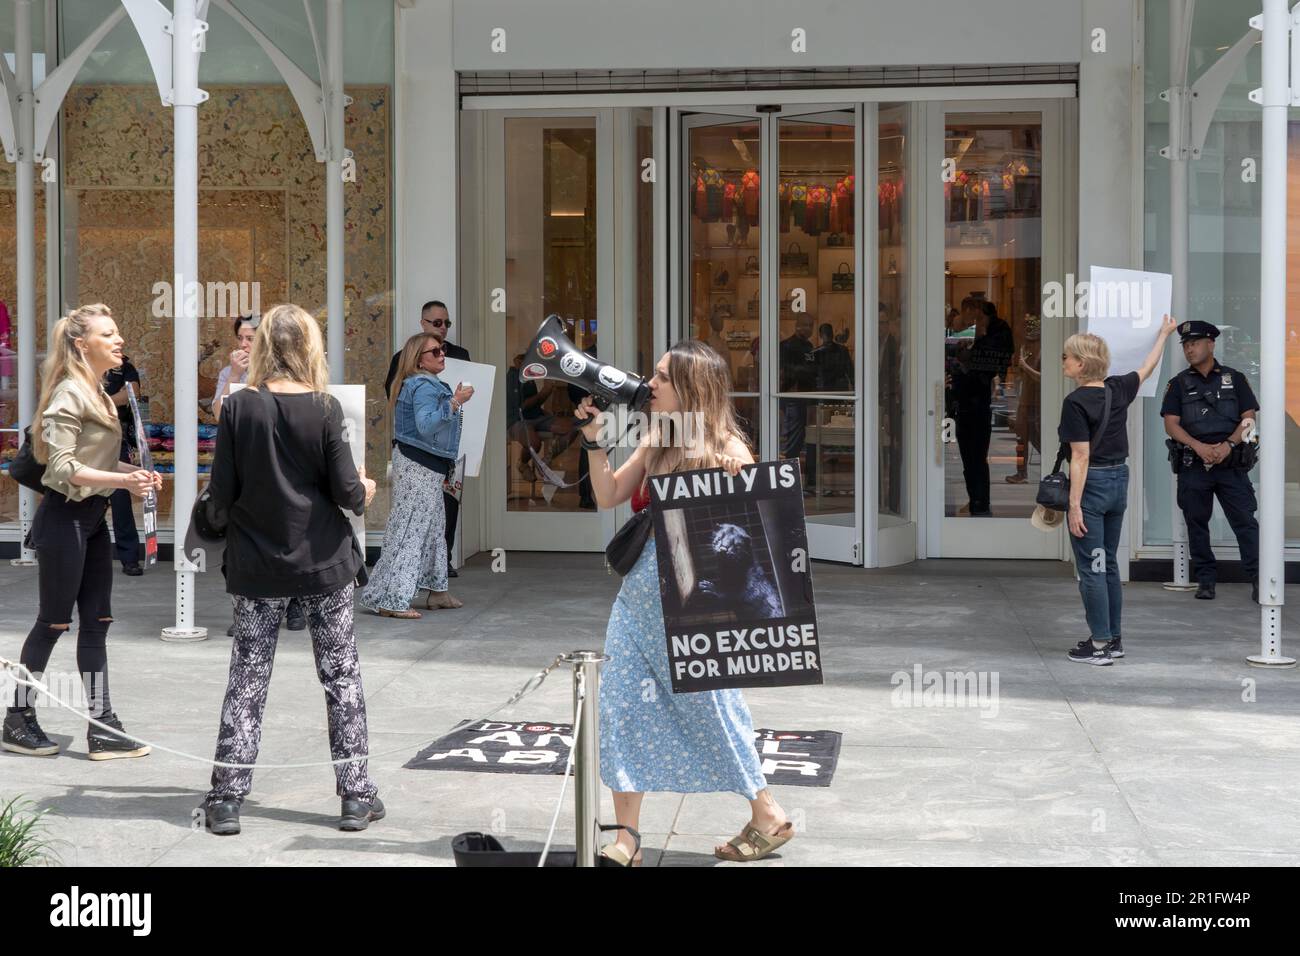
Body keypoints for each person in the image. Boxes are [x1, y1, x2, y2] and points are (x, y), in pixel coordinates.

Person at [576, 340, 795, 865]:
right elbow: (608, 495)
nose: (649, 384)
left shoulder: (727, 448)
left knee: (713, 707)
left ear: (693, 388)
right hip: (638, 600)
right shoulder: (659, 437)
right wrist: (593, 441)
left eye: (662, 378)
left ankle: (766, 812)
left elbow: (750, 535)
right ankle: (626, 837)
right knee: (621, 707)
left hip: (693, 604)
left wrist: (736, 483)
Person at [201, 304, 381, 836]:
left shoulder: (239, 407)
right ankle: (356, 796)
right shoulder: (324, 408)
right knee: (341, 677)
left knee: (247, 678)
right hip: (323, 562)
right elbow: (348, 493)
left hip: (257, 563)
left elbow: (221, 494)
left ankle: (226, 798)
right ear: (309, 348)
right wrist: (367, 487)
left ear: (261, 348)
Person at [3, 304, 160, 759]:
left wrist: (134, 474)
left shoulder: (98, 391)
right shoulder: (70, 393)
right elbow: (64, 468)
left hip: (91, 520)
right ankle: (17, 719)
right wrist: (124, 482)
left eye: (117, 332)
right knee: (52, 622)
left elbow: (100, 462)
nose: (119, 340)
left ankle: (103, 725)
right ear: (81, 344)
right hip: (64, 521)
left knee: (97, 622)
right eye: (107, 334)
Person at [1059, 316, 1176, 665]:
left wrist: (1074, 505)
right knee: (1107, 562)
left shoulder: (1076, 402)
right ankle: (1113, 638)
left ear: (1081, 364)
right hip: (1118, 481)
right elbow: (1147, 367)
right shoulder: (1118, 388)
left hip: (1092, 485)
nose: (1063, 362)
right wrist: (1164, 334)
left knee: (1092, 568)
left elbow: (1080, 456)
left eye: (1066, 356)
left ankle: (1099, 645)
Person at [361, 329, 473, 619]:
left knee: (433, 528)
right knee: (411, 530)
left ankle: (438, 592)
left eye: (442, 349)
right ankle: (392, 599)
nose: (442, 354)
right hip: (419, 466)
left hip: (424, 465)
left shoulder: (422, 383)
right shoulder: (423, 385)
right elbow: (426, 425)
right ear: (419, 360)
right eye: (435, 351)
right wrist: (455, 402)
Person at [213, 315, 305, 633]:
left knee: (288, 536)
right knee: (243, 543)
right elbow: (220, 412)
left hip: (283, 466)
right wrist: (235, 375)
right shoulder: (230, 373)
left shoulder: (287, 371)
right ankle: (245, 611)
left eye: (250, 338)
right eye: (240, 338)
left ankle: (294, 603)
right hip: (246, 468)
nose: (243, 344)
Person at [1161, 320, 1260, 601]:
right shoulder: (1178, 384)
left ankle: (1258, 578)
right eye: (1186, 345)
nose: (1189, 349)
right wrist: (1198, 446)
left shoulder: (1235, 379)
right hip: (1195, 464)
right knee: (1196, 523)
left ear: (1211, 344)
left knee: (1244, 522)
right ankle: (1205, 580)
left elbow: (1249, 417)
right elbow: (1171, 424)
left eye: (1194, 343)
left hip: (1231, 464)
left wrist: (1229, 445)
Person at [384, 301, 470, 578]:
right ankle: (404, 580)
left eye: (447, 323)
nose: (443, 329)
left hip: (446, 447)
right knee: (416, 520)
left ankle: (439, 572)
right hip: (420, 453)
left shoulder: (459, 355)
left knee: (444, 510)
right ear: (423, 323)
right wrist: (453, 402)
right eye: (437, 323)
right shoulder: (412, 369)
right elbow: (416, 416)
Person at [948, 297, 1013, 515]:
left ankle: (979, 503)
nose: (973, 324)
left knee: (976, 457)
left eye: (976, 319)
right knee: (970, 459)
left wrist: (966, 358)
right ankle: (975, 499)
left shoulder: (995, 334)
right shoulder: (974, 338)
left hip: (977, 404)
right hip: (965, 403)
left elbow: (982, 368)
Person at [103, 354, 143, 575]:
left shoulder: (124, 367)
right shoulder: (80, 365)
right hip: (84, 436)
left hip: (114, 435)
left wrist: (99, 402)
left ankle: (129, 558)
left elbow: (131, 393)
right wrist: (112, 399)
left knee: (120, 497)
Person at [780, 315, 818, 487]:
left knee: (810, 439)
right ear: (797, 326)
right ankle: (788, 481)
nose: (808, 328)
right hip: (794, 398)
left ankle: (810, 479)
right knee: (793, 442)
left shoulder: (809, 346)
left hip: (808, 398)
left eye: (810, 325)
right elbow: (785, 372)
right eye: (805, 325)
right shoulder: (787, 346)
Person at [1006, 316, 1042, 484]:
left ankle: (1053, 464)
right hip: (1024, 401)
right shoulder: (1025, 349)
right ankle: (1021, 472)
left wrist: (1025, 367)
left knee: (1037, 438)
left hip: (1036, 402)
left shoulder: (1042, 351)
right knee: (1021, 438)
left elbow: (1043, 378)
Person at [813, 322, 853, 391]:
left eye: (829, 332)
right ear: (821, 335)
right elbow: (813, 373)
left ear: (832, 334)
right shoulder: (816, 353)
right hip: (824, 388)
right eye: (825, 332)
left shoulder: (843, 350)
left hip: (838, 388)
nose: (828, 335)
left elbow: (850, 371)